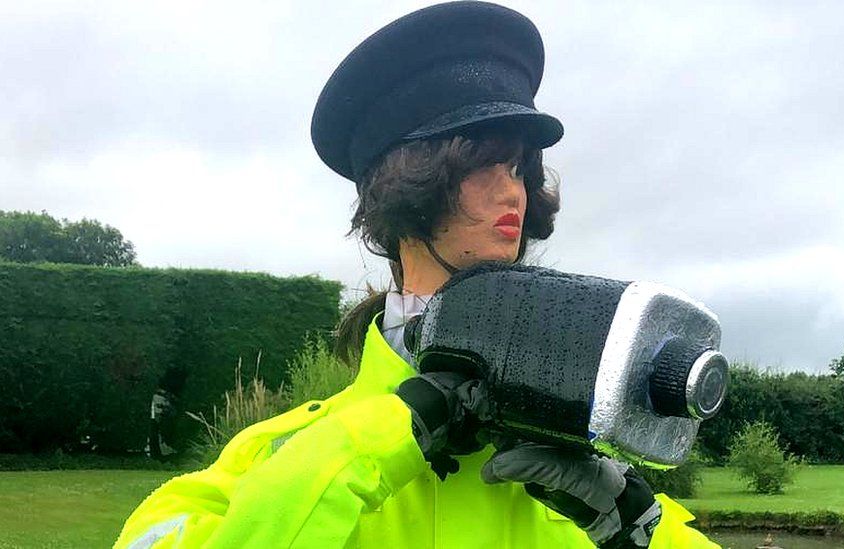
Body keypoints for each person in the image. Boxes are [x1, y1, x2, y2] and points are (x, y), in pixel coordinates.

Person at [114, 2, 718, 547]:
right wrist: (384, 433)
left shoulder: (579, 485)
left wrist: (635, 525)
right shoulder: (269, 458)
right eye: (480, 162)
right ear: (407, 187)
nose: (512, 191)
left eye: (518, 167)